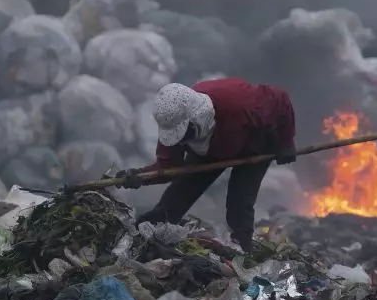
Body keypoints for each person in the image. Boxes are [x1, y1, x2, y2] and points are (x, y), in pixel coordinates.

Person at [119, 78, 297, 251]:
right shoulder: (172, 122)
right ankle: (145, 233)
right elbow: (169, 168)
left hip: (255, 143)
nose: (179, 140)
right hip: (213, 150)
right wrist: (139, 176)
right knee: (179, 193)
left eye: (183, 133)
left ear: (196, 118)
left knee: (240, 202)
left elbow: (280, 98)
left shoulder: (239, 103)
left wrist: (285, 142)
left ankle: (242, 248)